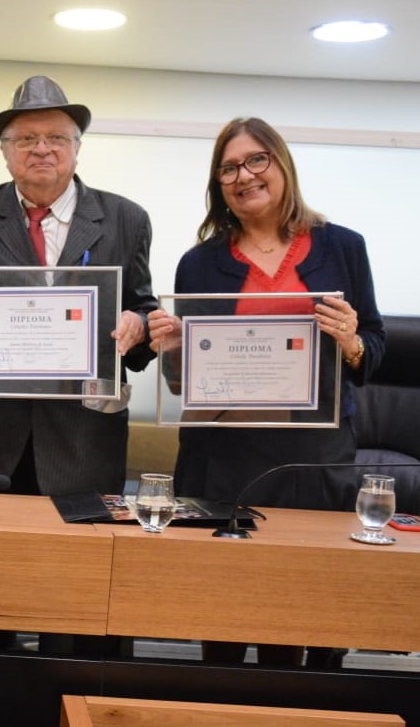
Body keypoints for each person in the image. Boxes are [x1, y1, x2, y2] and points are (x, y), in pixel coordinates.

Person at [148, 117, 386, 666]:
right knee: (224, 605)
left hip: (313, 455)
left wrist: (350, 341)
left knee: (308, 596)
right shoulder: (199, 262)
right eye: (228, 167)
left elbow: (371, 347)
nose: (244, 175)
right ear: (217, 185)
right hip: (222, 452)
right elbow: (184, 381)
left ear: (282, 166)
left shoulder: (343, 247)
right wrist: (174, 347)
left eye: (257, 160)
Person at [0, 75, 157, 498]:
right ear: (5, 152)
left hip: (80, 440)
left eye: (56, 137)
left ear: (77, 148)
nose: (42, 149)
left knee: (76, 561)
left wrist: (139, 324)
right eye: (25, 139)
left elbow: (144, 308)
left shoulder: (125, 219)